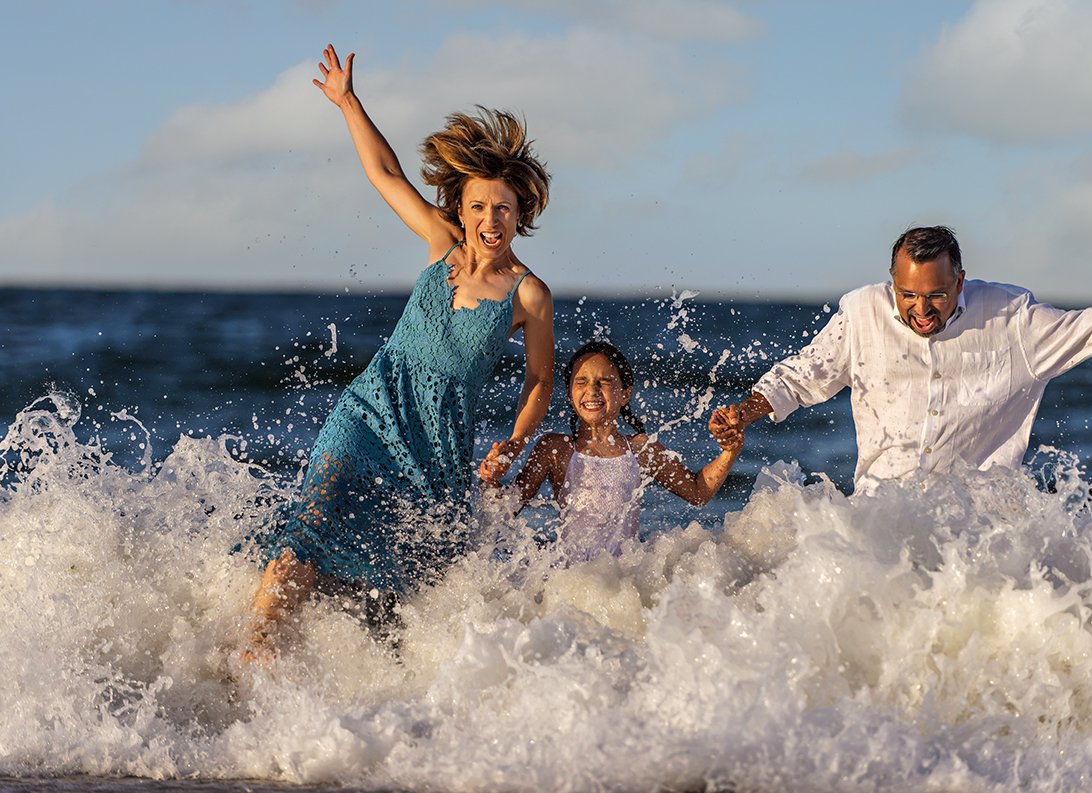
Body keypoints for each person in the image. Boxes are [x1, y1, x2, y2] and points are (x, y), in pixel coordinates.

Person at [241, 45, 555, 661]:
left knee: (400, 579)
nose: (490, 219)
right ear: (459, 213)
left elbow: (541, 380)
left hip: (437, 445)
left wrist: (515, 442)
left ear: (521, 214)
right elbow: (386, 175)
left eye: (503, 208)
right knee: (313, 519)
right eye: (478, 207)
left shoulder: (530, 294)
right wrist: (347, 102)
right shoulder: (441, 246)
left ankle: (360, 675)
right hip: (368, 412)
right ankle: (257, 648)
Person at [710, 225, 1092, 492]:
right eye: (906, 295)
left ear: (959, 281)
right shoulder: (861, 313)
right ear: (891, 282)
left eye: (935, 295)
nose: (920, 309)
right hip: (881, 514)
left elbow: (1087, 330)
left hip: (975, 526)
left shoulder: (1009, 316)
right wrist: (744, 412)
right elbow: (801, 377)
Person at [498, 340, 743, 564]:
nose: (592, 390)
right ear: (570, 393)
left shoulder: (641, 449)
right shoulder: (554, 449)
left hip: (623, 581)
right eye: (581, 382)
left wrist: (728, 453)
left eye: (604, 381)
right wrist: (491, 478)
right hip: (570, 579)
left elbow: (698, 492)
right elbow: (506, 510)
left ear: (626, 394)